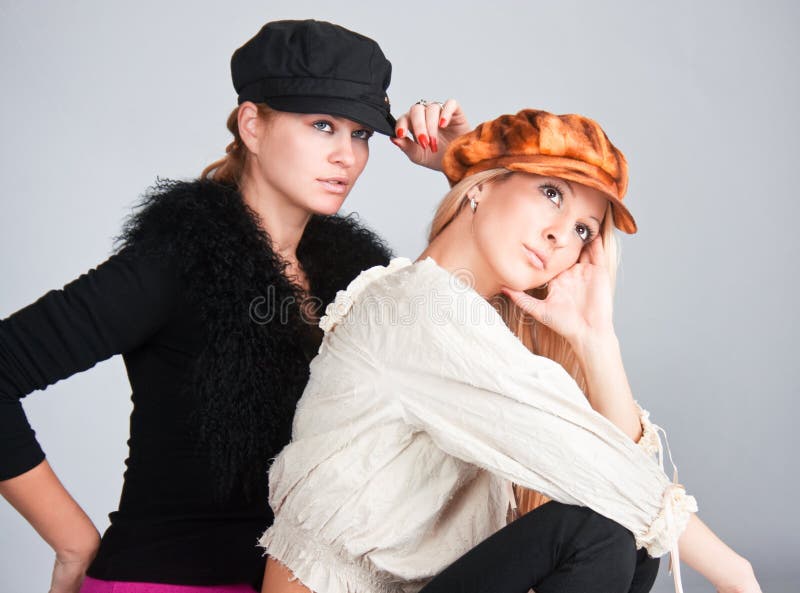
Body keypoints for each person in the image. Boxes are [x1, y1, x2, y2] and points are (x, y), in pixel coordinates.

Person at [0, 20, 467, 593]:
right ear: (252, 124)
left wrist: (464, 168)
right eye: (322, 125)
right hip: (170, 581)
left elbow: (480, 359)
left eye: (361, 134)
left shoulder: (352, 280)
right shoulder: (179, 261)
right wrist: (72, 542)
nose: (345, 155)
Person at [258, 109, 763, 593]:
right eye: (551, 193)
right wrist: (733, 573)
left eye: (584, 230)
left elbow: (621, 473)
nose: (560, 235)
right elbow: (602, 468)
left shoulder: (476, 321)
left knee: (631, 538)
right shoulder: (422, 310)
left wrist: (594, 337)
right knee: (597, 531)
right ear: (480, 188)